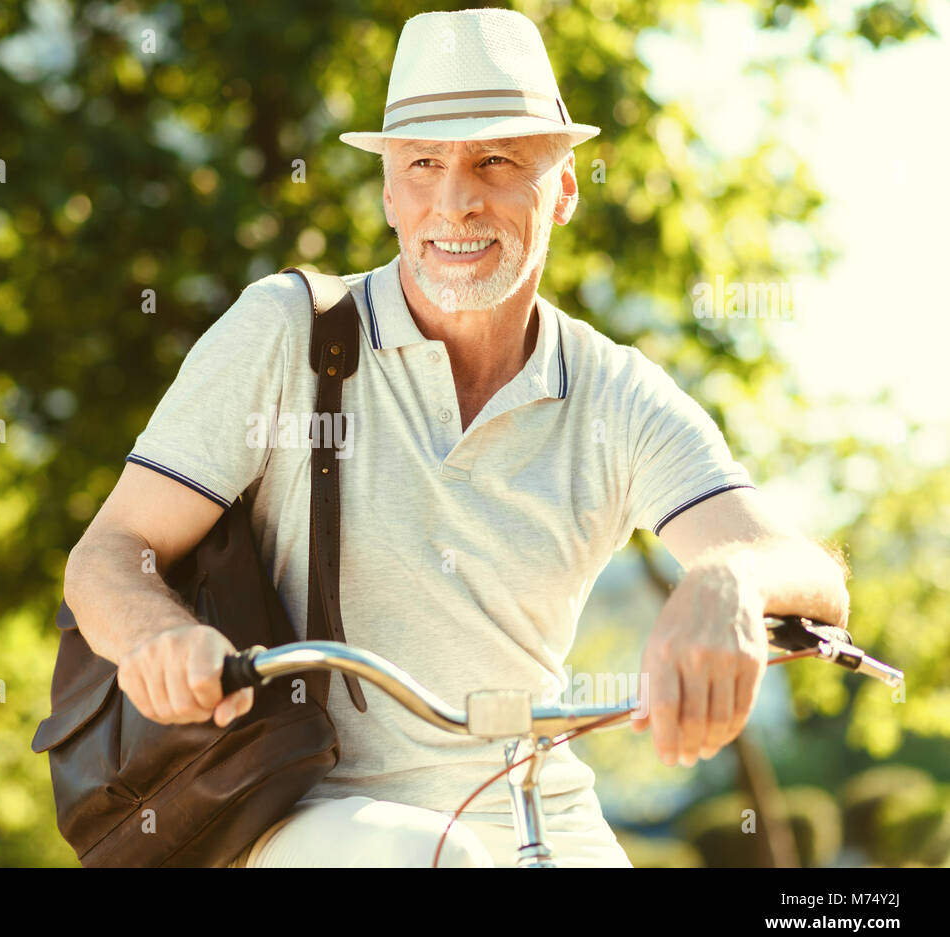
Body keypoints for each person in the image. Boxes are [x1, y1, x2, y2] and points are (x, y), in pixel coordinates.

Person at [63, 8, 850, 867]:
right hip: (310, 810)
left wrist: (731, 580)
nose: (455, 200)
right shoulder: (288, 333)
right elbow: (109, 552)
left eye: (497, 160)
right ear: (390, 193)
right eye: (425, 164)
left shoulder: (614, 392)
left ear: (566, 186)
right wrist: (155, 636)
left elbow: (806, 575)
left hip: (535, 798)